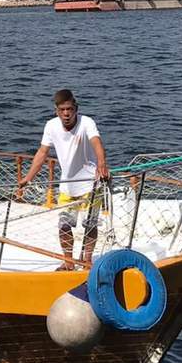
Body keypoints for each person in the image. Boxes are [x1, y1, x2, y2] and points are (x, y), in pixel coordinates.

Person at [18, 89, 110, 257]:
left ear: (76, 109)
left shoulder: (86, 122)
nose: (66, 114)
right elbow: (42, 153)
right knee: (64, 225)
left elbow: (96, 142)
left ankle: (87, 260)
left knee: (90, 224)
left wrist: (101, 163)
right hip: (67, 186)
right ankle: (68, 261)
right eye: (62, 110)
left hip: (91, 184)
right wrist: (28, 178)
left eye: (69, 109)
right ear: (56, 111)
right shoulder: (51, 126)